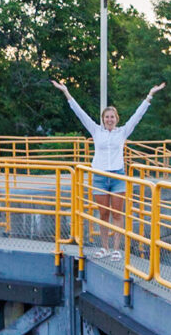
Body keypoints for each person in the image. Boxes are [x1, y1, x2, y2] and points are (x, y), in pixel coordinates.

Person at [53, 79, 165, 257]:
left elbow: (137, 116)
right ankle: (104, 247)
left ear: (116, 119)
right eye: (107, 117)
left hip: (118, 177)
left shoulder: (123, 132)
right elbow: (80, 113)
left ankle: (116, 249)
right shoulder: (96, 131)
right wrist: (66, 92)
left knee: (118, 215)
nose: (109, 119)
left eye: (112, 117)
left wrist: (150, 96)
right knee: (104, 214)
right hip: (99, 176)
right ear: (103, 119)